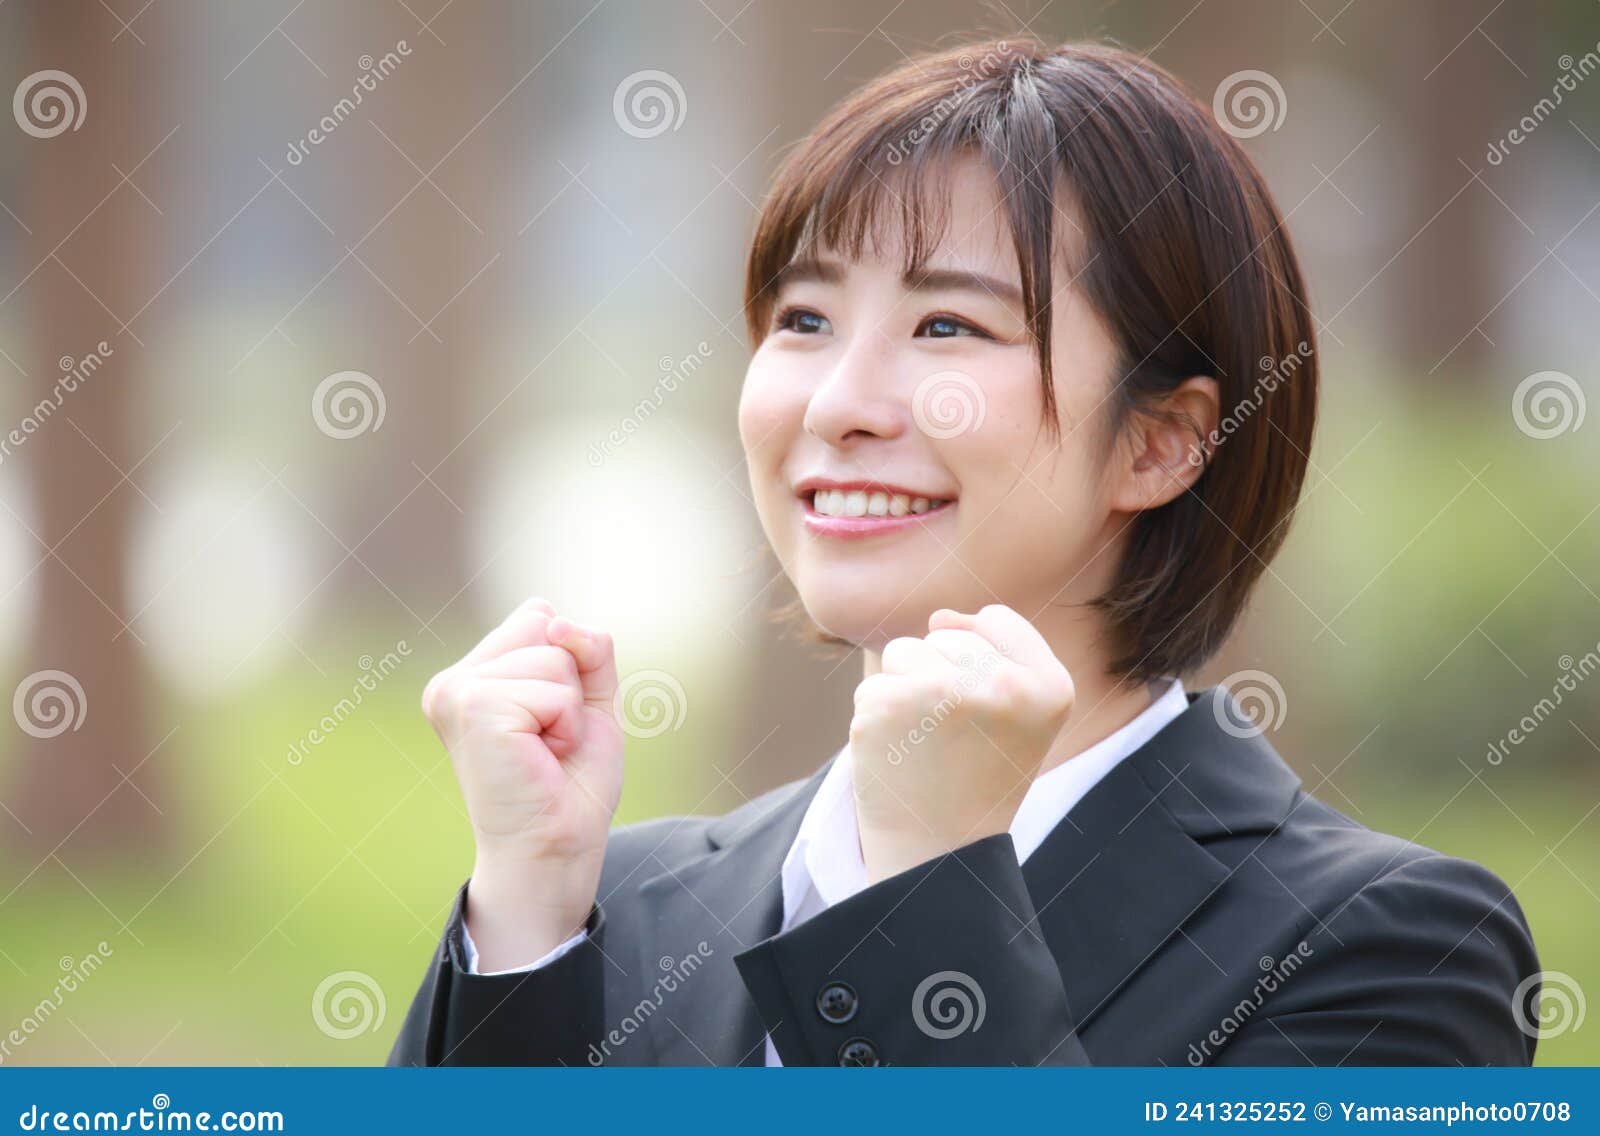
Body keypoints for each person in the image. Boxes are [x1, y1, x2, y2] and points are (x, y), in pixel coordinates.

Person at [389, 38, 1539, 1067]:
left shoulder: (1389, 953)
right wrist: (528, 932)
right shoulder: (617, 905)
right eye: (803, 319)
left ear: (1160, 442)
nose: (837, 402)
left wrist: (936, 882)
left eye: (948, 325)